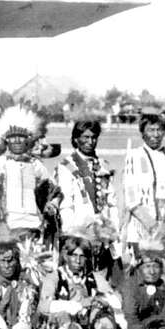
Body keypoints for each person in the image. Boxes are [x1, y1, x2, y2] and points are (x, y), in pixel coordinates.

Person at [0, 105, 59, 261]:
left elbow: (54, 190)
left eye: (21, 137)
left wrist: (52, 205)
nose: (17, 141)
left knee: (33, 264)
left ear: (28, 140)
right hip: (7, 225)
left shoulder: (36, 165)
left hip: (33, 224)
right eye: (12, 137)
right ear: (5, 140)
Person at [37, 234, 120, 329]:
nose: (77, 260)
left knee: (104, 316)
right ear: (66, 256)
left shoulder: (94, 277)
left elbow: (113, 298)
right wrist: (75, 305)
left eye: (82, 256)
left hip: (89, 323)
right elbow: (44, 305)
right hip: (64, 325)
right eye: (74, 255)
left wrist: (100, 300)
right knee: (64, 317)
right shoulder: (54, 277)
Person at [55, 117, 117, 276]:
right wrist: (73, 237)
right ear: (76, 139)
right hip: (79, 235)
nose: (90, 141)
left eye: (94, 137)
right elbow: (66, 205)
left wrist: (111, 232)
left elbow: (112, 203)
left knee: (102, 279)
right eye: (86, 137)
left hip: (103, 236)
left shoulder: (103, 165)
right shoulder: (66, 166)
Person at [122, 108, 165, 260]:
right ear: (142, 133)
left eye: (159, 130)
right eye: (151, 130)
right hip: (141, 228)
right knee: (143, 268)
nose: (155, 134)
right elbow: (131, 198)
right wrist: (153, 226)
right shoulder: (134, 156)